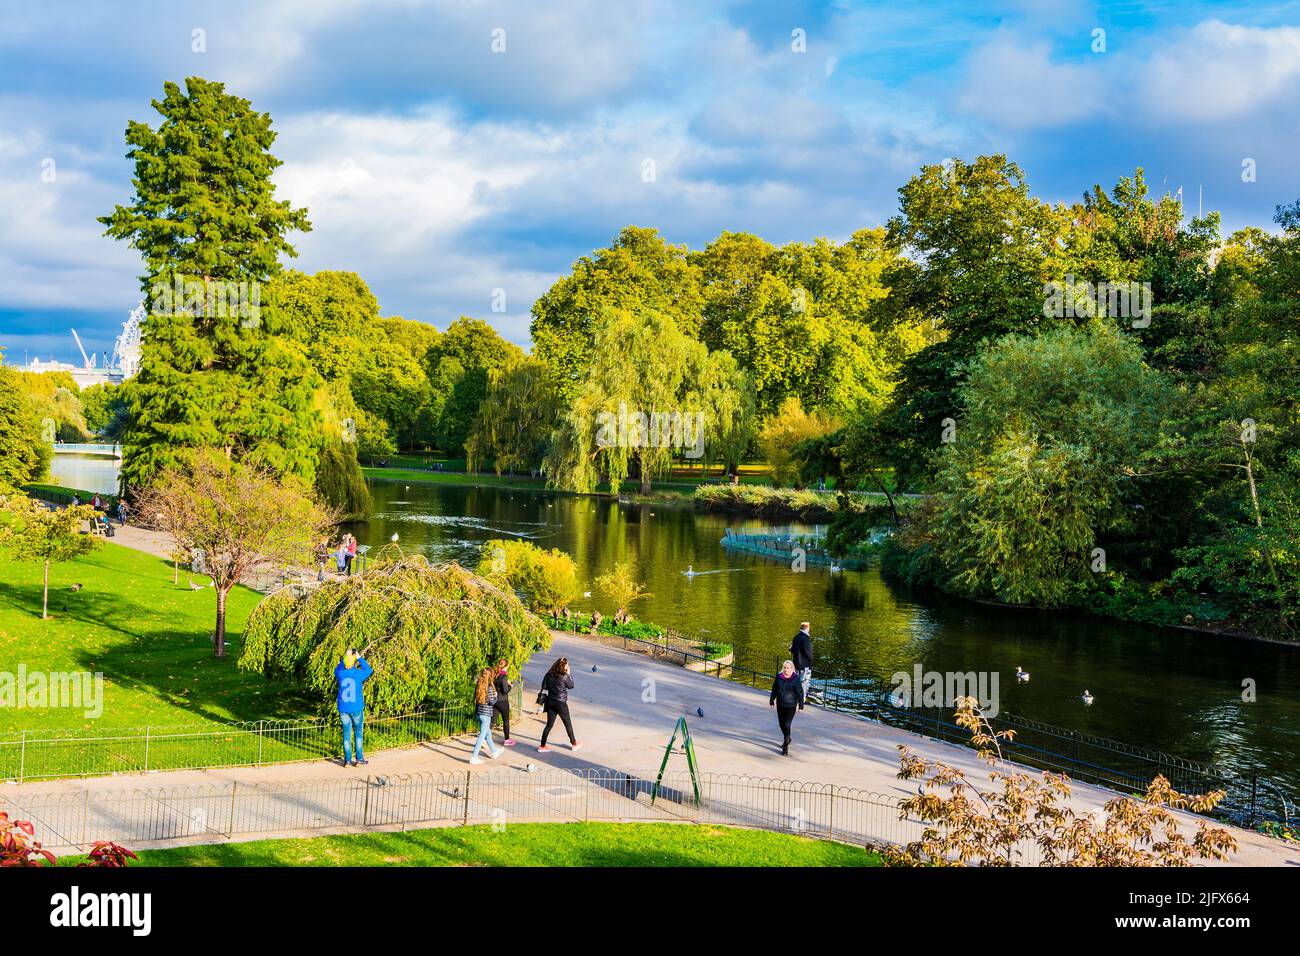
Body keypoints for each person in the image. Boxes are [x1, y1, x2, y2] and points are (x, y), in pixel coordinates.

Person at [334, 649, 373, 767]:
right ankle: (359, 759)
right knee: (358, 733)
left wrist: (345, 657)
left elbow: (337, 669)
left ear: (345, 663)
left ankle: (347, 760)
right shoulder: (358, 674)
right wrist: (359, 657)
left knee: (346, 734)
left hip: (343, 709)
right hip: (356, 708)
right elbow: (369, 670)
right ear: (353, 663)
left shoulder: (340, 674)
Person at [537, 657, 581, 753]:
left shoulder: (548, 674)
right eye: (567, 665)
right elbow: (571, 685)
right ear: (563, 666)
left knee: (549, 725)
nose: (568, 667)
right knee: (567, 723)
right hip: (561, 703)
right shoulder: (564, 676)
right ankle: (574, 744)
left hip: (550, 702)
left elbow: (543, 687)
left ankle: (542, 746)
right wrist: (569, 674)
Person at [769, 659, 806, 755]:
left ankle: (785, 746)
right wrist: (772, 700)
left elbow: (800, 692)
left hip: (791, 705)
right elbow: (774, 689)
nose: (786, 670)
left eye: (788, 668)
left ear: (792, 668)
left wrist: (801, 705)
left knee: (787, 724)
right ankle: (788, 738)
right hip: (780, 704)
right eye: (785, 668)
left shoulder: (795, 678)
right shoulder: (779, 677)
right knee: (781, 724)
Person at [469, 667, 504, 764]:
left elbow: (476, 699)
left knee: (488, 734)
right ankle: (474, 757)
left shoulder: (479, 685)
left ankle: (494, 751)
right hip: (486, 715)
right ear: (490, 676)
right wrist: (496, 696)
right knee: (482, 735)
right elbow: (491, 702)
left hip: (479, 713)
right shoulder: (489, 687)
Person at [492, 659, 515, 746]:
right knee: (506, 720)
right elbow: (505, 690)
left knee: (493, 720)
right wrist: (510, 685)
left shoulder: (495, 674)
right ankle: (507, 739)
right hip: (503, 701)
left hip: (495, 700)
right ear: (506, 666)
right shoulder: (503, 676)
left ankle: (484, 739)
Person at [789, 621, 814, 699]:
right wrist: (811, 660)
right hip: (805, 665)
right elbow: (809, 654)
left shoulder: (796, 637)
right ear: (807, 628)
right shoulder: (806, 639)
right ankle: (802, 700)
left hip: (796, 664)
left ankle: (794, 696)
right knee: (804, 682)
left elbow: (791, 649)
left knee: (796, 681)